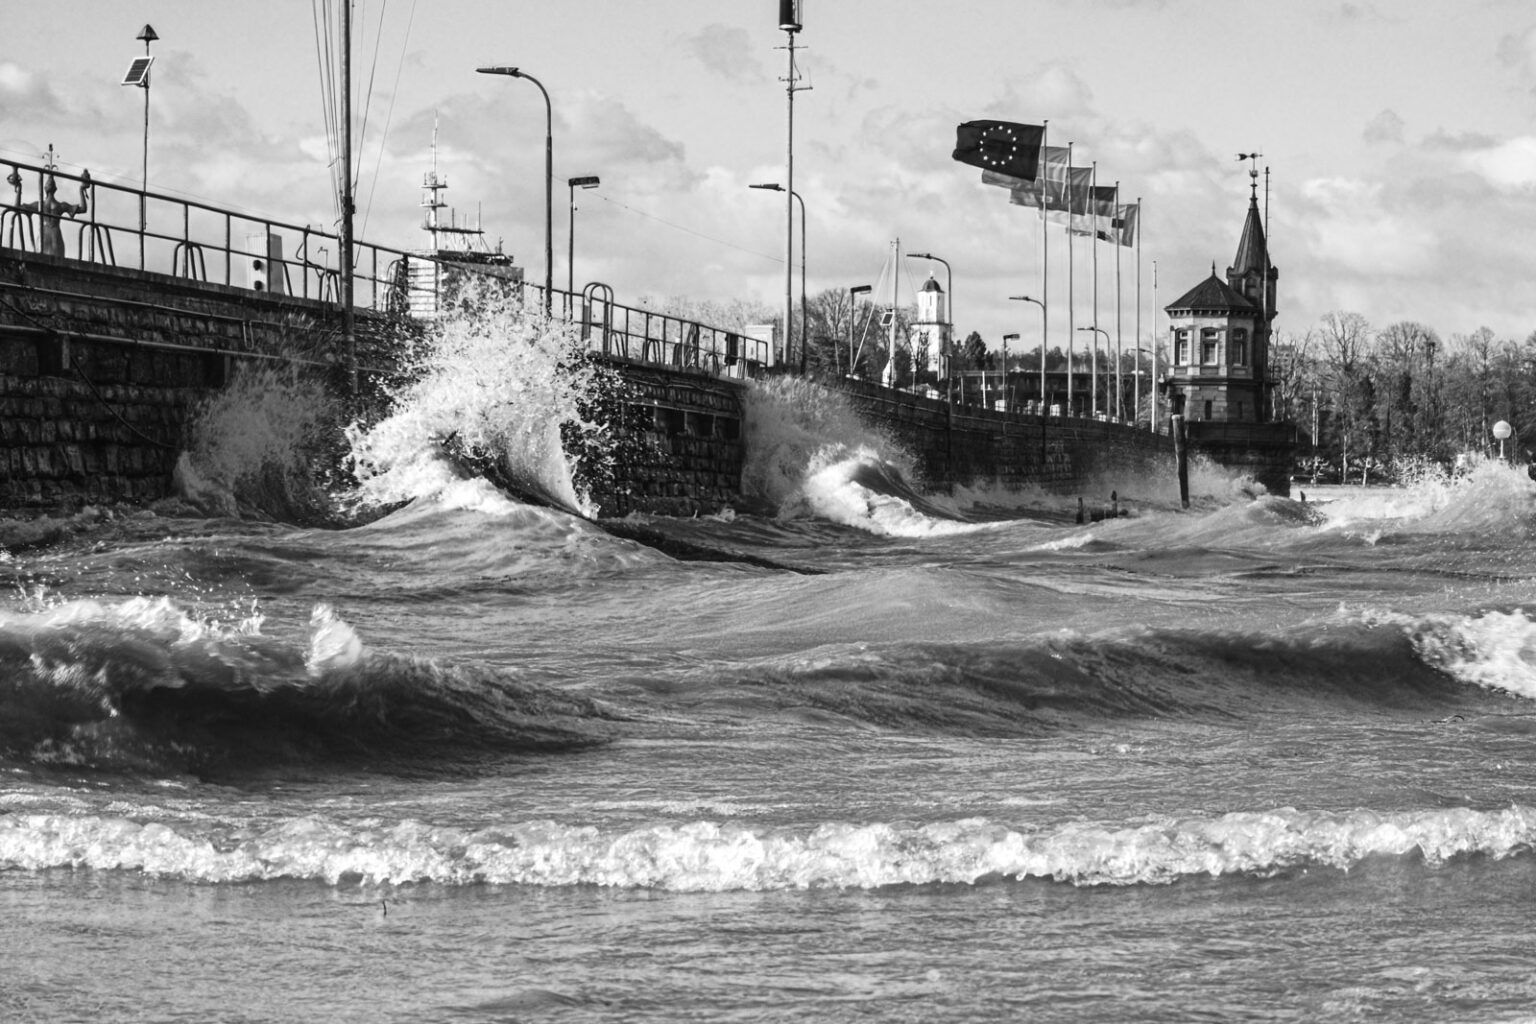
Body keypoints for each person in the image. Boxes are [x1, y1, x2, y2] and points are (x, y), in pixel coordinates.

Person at [21, 170, 90, 257]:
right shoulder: (39, 205)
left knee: (56, 257)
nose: (50, 183)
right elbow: (18, 208)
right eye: (48, 183)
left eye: (51, 183)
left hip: (55, 238)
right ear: (45, 188)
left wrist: (81, 190)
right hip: (44, 237)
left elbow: (83, 209)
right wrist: (18, 188)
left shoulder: (61, 206)